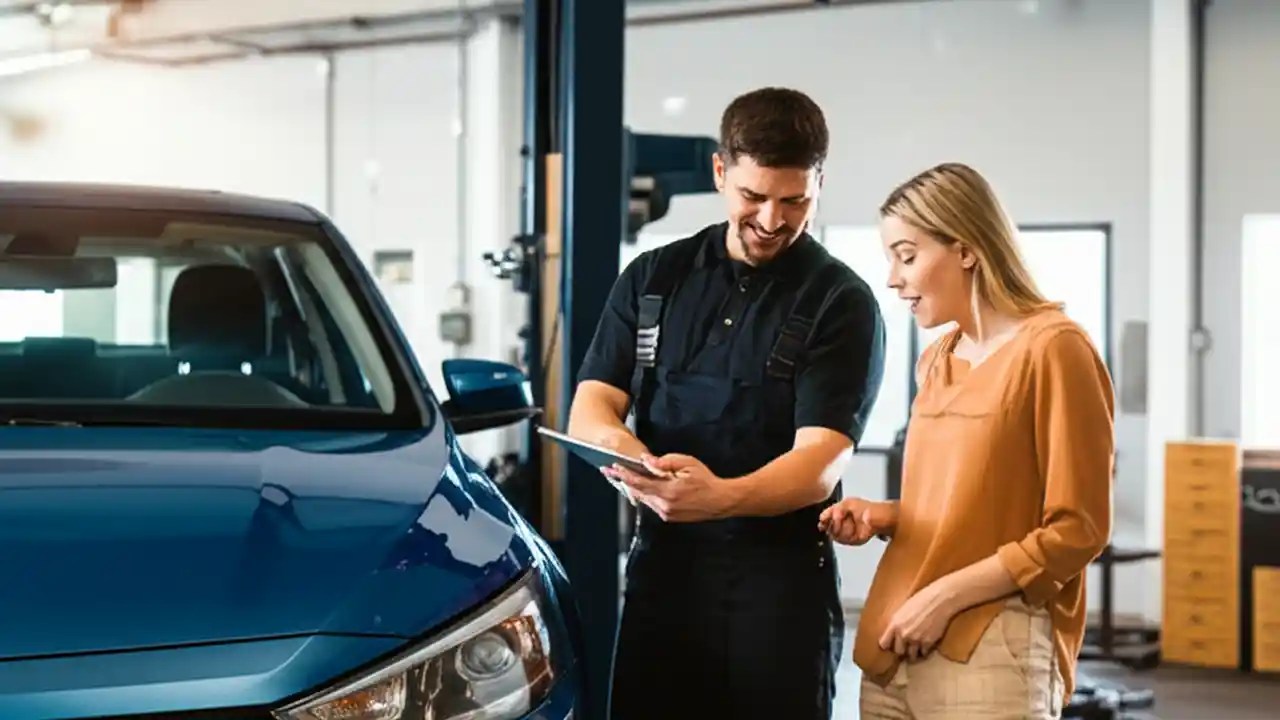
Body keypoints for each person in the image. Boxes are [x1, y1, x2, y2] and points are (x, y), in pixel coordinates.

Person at [566, 86, 886, 719]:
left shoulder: (839, 303)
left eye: (794, 200)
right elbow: (591, 411)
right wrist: (641, 468)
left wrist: (718, 497)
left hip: (779, 595)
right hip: (664, 578)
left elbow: (820, 462)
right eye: (753, 197)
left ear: (819, 181)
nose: (772, 219)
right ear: (720, 172)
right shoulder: (653, 279)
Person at [819, 162, 1115, 719]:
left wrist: (947, 595)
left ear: (967, 249)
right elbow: (975, 506)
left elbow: (1080, 528)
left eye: (907, 256)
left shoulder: (1054, 349)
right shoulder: (936, 360)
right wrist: (889, 517)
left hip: (990, 641)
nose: (893, 278)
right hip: (895, 643)